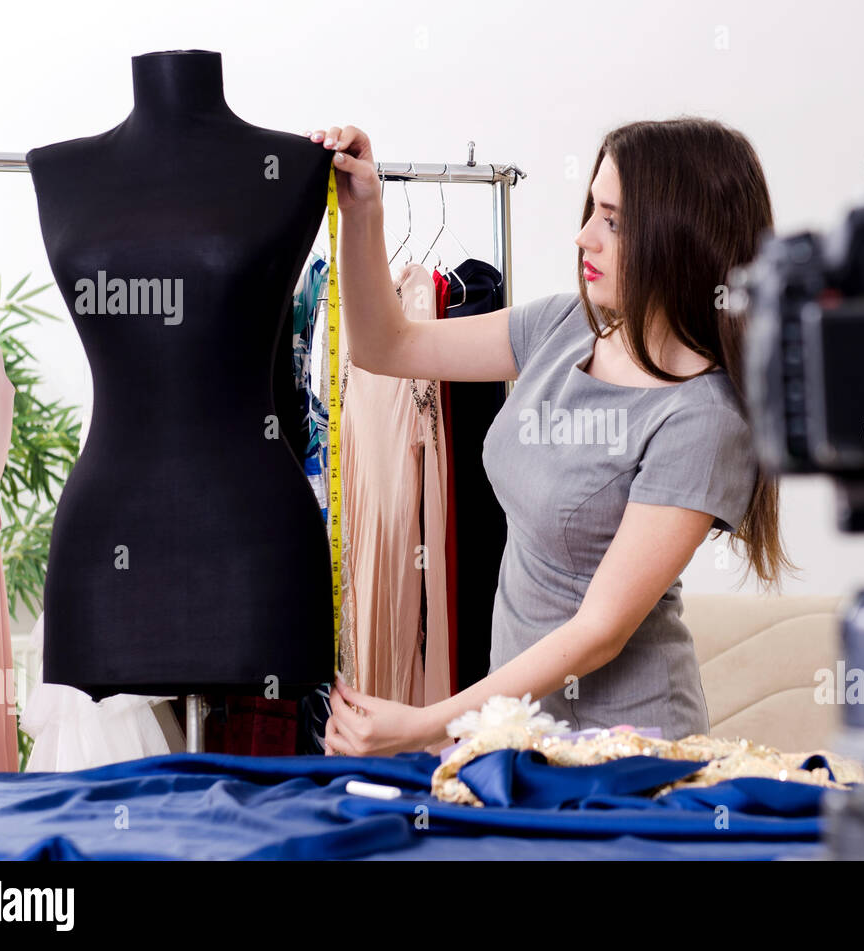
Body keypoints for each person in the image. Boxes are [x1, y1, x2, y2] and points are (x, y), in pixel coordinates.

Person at [313, 117, 797, 755]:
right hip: (519, 735)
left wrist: (430, 724)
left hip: (629, 752)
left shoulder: (704, 418)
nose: (583, 237)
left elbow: (599, 631)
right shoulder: (565, 327)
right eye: (592, 210)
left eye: (613, 220)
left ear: (679, 238)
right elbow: (385, 344)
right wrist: (364, 209)